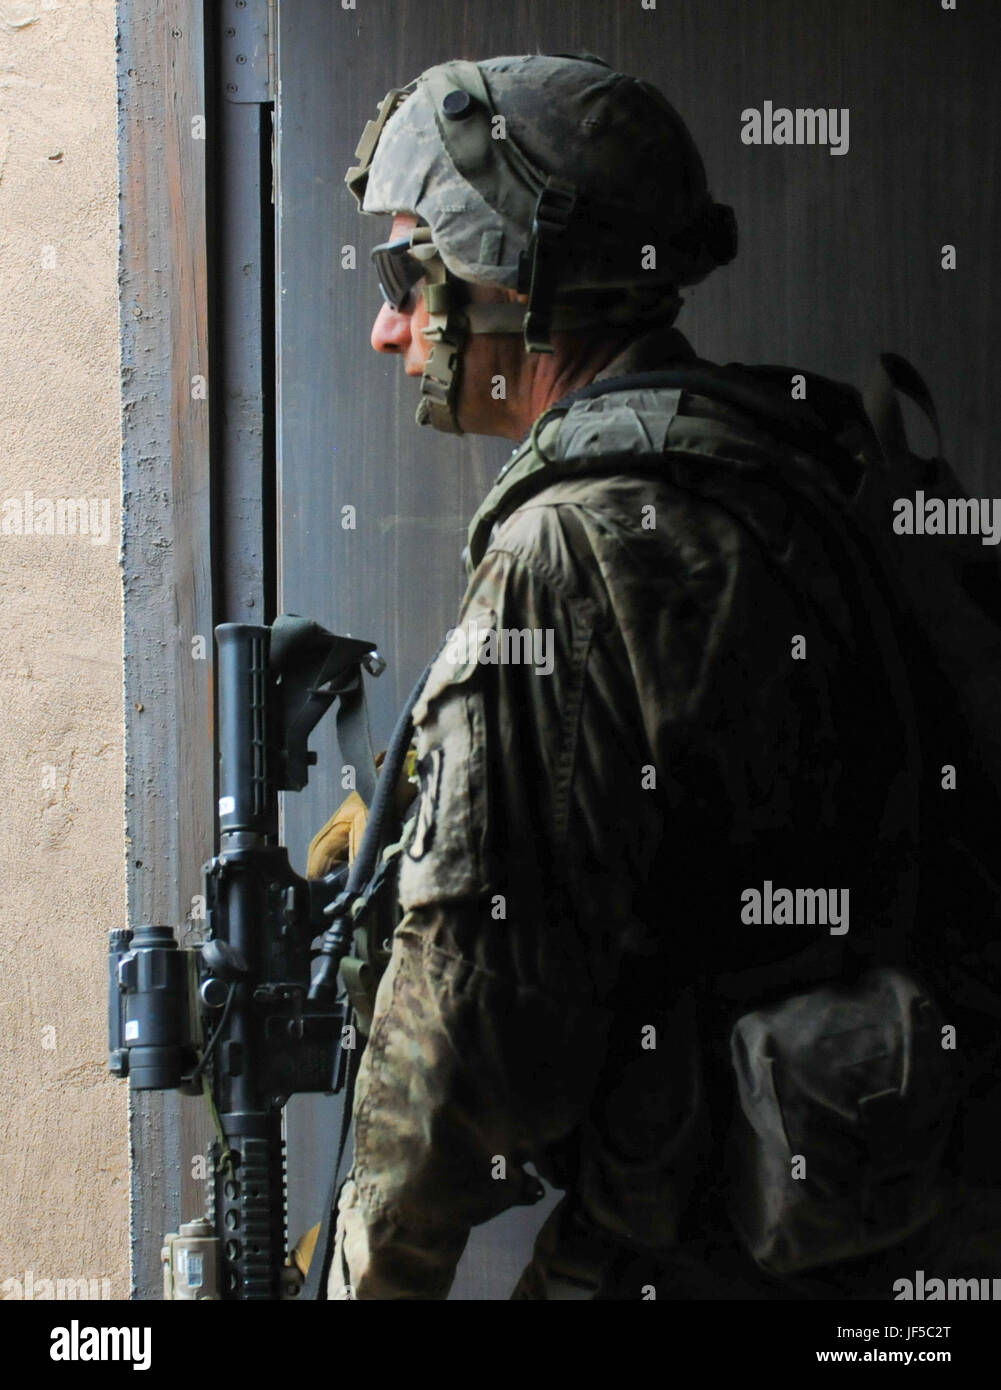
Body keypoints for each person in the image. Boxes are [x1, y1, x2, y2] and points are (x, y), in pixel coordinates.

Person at [316, 52, 972, 1300]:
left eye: (410, 273)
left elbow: (458, 1019)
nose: (387, 324)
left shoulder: (566, 549)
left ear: (513, 277)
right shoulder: (787, 465)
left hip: (729, 1246)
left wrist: (369, 1279)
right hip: (890, 1210)